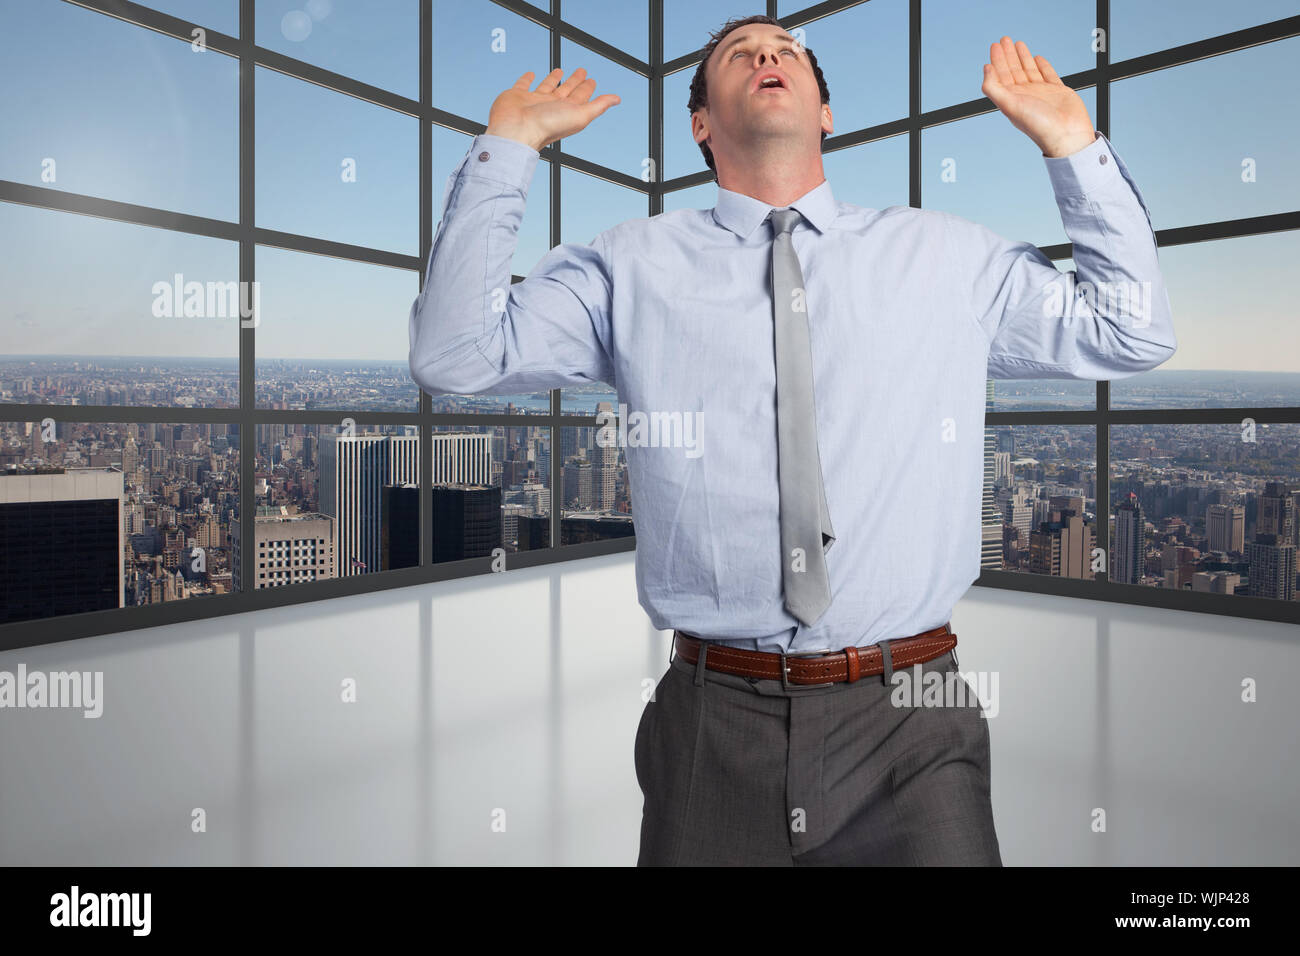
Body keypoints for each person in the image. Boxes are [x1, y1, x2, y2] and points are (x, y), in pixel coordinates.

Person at [408, 14, 1176, 865]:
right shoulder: (625, 266)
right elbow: (454, 355)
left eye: (789, 52)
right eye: (740, 54)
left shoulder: (947, 257)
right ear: (701, 124)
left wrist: (1074, 144)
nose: (768, 55)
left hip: (914, 715)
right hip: (710, 725)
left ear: (826, 115)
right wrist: (506, 148)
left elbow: (1130, 332)